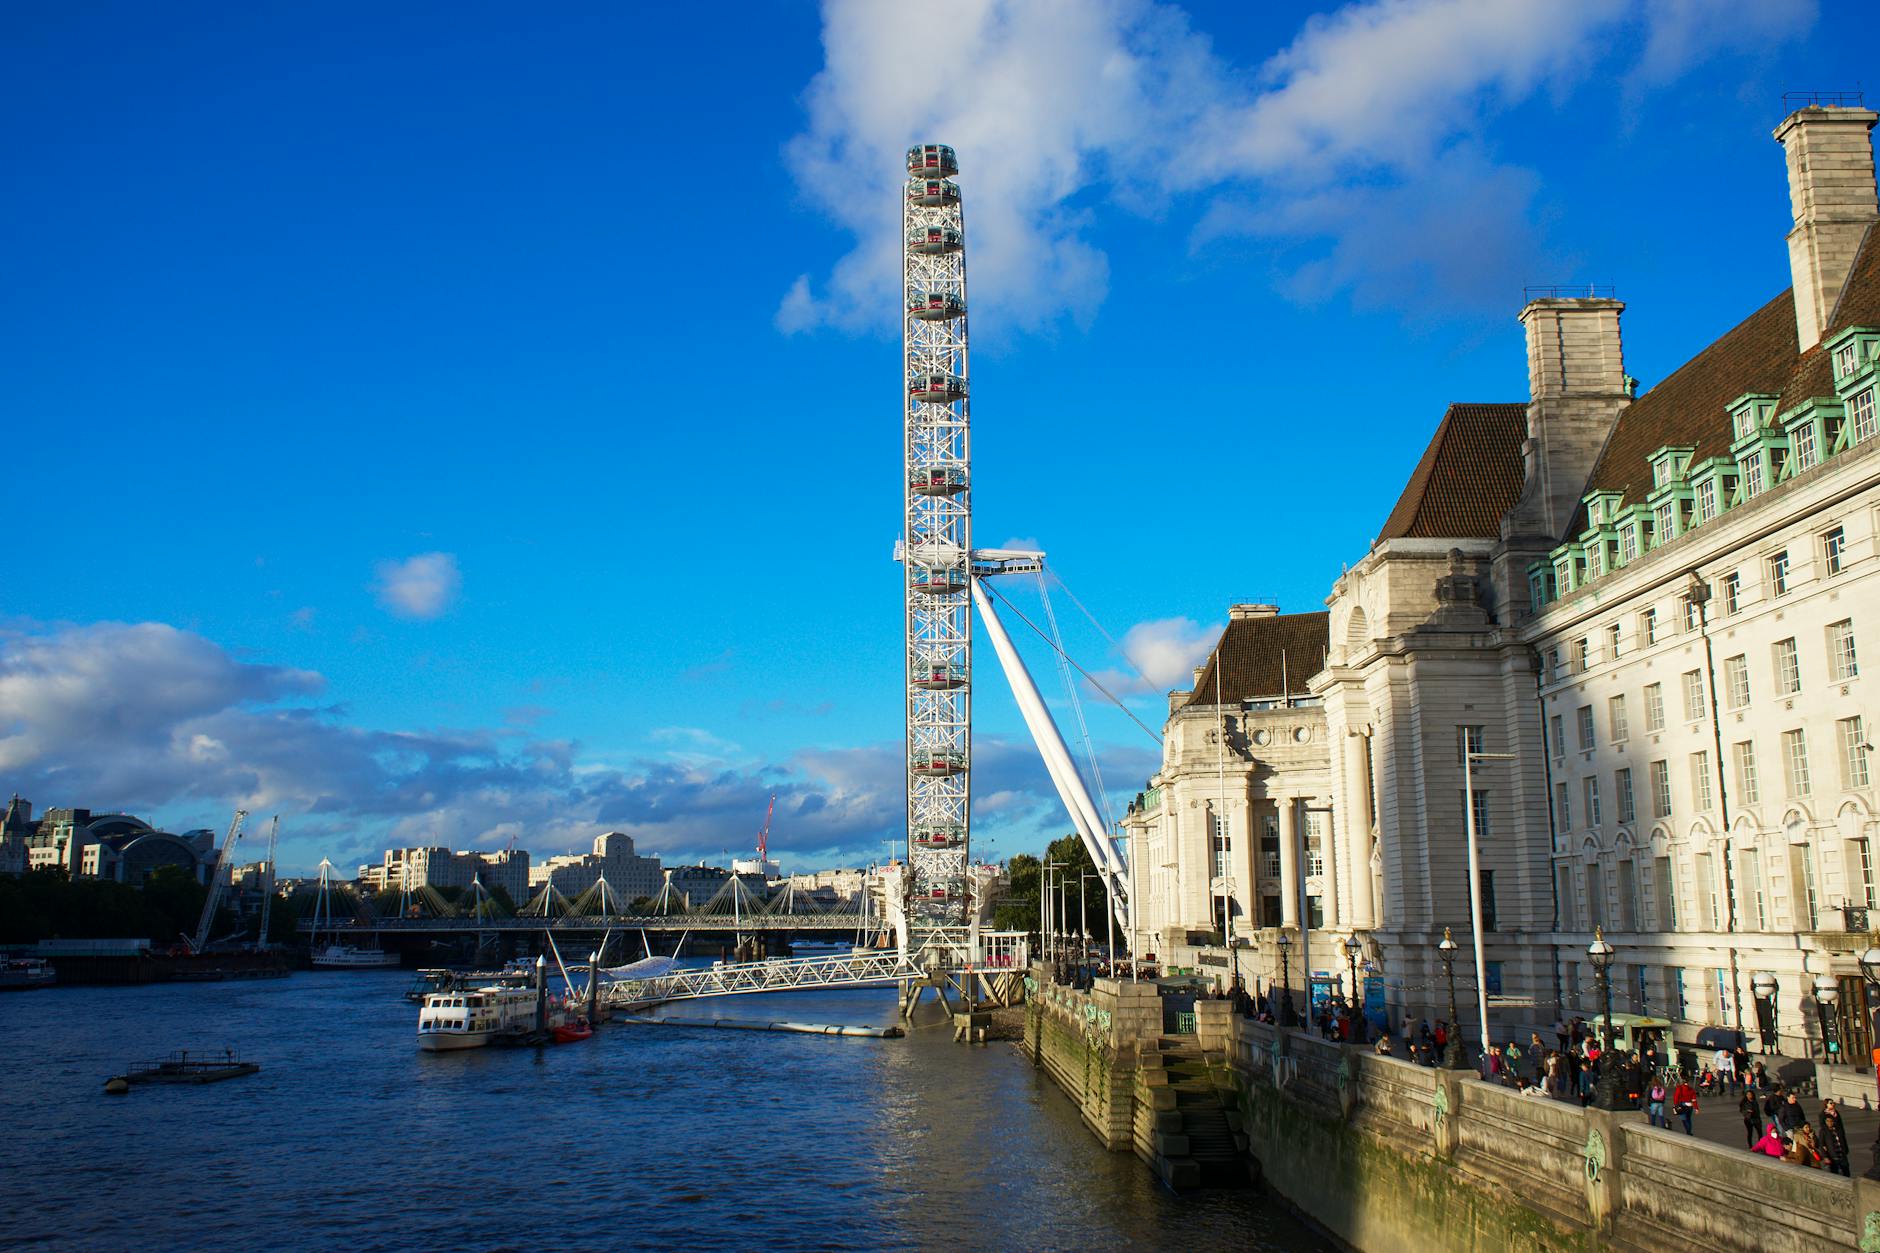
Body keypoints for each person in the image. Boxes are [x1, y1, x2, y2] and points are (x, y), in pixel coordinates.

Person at [1821, 1100, 1852, 1177]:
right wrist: (1825, 1157)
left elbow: (1843, 1139)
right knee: (1835, 1174)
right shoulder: (1824, 1132)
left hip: (1842, 1154)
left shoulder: (1838, 1129)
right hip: (1833, 1156)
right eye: (1827, 1121)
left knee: (1846, 1173)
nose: (1829, 1123)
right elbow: (1822, 1144)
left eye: (1831, 1121)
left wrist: (1846, 1150)